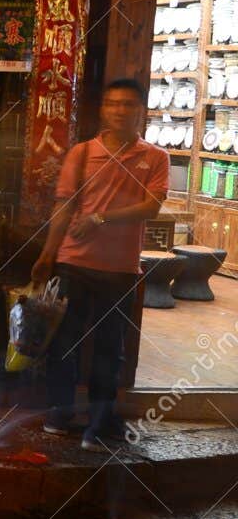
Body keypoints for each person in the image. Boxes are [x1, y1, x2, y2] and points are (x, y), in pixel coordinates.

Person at [32, 78, 168, 451]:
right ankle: (60, 413)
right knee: (64, 342)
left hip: (121, 268)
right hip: (74, 262)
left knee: (111, 347)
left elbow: (151, 207)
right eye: (112, 104)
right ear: (103, 110)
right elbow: (64, 204)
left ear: (141, 110)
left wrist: (101, 218)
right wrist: (47, 254)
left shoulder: (156, 157)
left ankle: (100, 419)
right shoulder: (82, 152)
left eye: (127, 105)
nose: (119, 110)